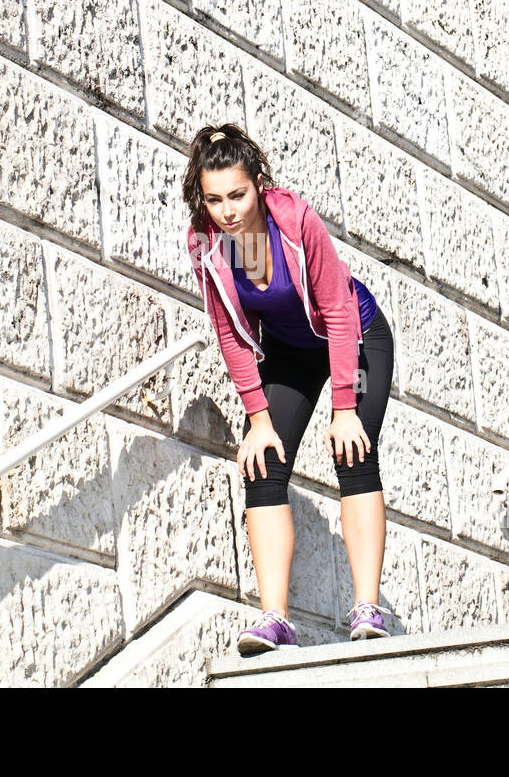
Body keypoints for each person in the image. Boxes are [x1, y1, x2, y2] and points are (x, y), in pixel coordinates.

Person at [182, 123, 396, 655]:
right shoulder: (211, 246)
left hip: (357, 335)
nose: (228, 211)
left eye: (237, 195)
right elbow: (230, 333)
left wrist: (344, 407)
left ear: (258, 184)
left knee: (354, 451)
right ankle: (274, 620)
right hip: (293, 352)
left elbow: (341, 313)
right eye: (215, 200)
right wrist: (257, 419)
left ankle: (368, 609)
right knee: (263, 463)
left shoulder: (295, 223)